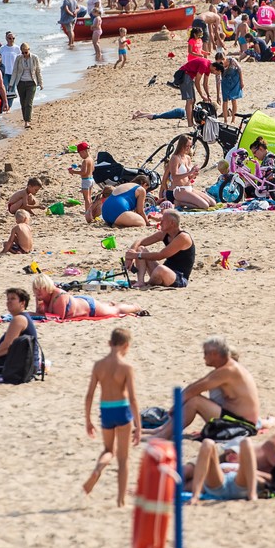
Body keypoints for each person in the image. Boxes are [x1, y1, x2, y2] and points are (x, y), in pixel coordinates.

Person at [81, 327, 142, 506]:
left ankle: (98, 469)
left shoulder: (98, 365)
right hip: (122, 409)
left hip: (106, 410)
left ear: (109, 343)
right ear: (126, 345)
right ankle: (121, 500)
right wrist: (139, 426)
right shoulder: (126, 367)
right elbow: (133, 398)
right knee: (123, 459)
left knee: (109, 451)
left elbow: (89, 395)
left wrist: (88, 420)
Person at [159, 337, 263, 439]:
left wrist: (175, 406)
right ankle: (162, 430)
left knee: (195, 401)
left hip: (241, 424)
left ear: (214, 354)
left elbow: (195, 389)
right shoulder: (226, 368)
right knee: (190, 397)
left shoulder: (228, 370)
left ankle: (163, 434)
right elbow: (195, 386)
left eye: (205, 353)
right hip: (235, 418)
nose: (203, 357)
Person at [125, 206, 196, 289]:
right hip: (164, 272)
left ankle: (147, 283)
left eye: (163, 221)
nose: (160, 223)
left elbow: (160, 255)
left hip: (179, 277)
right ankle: (140, 281)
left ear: (172, 223)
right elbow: (140, 241)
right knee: (140, 249)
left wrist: (135, 255)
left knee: (160, 269)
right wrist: (130, 255)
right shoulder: (164, 233)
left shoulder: (183, 237)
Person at [12, 41, 44, 124]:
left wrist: (40, 83)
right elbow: (15, 71)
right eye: (22, 52)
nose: (24, 54)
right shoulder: (19, 58)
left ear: (29, 50)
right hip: (21, 83)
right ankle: (25, 118)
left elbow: (38, 71)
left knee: (28, 102)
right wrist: (11, 84)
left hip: (31, 83)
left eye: (26, 52)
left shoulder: (34, 58)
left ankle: (27, 121)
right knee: (23, 102)